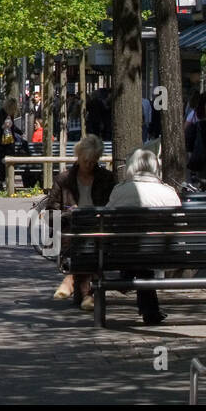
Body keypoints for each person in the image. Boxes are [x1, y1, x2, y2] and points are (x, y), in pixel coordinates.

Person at [107, 148, 181, 325]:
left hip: (126, 253)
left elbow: (108, 220)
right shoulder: (169, 192)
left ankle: (127, 276)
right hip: (164, 252)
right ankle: (150, 310)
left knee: (137, 254)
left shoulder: (120, 191)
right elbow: (179, 223)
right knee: (144, 260)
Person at [50, 134, 114, 310]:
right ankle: (86, 294)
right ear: (78, 157)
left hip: (98, 228)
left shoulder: (106, 178)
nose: (89, 165)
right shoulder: (64, 179)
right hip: (72, 229)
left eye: (93, 161)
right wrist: (69, 213)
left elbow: (112, 206)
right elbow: (51, 211)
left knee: (91, 241)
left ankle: (73, 283)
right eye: (86, 160)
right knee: (81, 241)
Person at [0, 96, 22, 190]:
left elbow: (12, 128)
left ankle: (9, 183)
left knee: (11, 160)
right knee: (3, 162)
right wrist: (3, 126)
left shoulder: (10, 114)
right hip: (1, 142)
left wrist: (20, 132)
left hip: (9, 141)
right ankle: (1, 181)